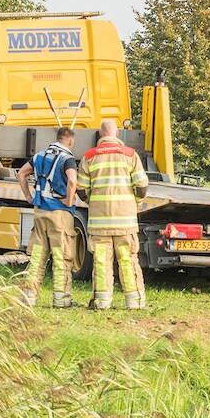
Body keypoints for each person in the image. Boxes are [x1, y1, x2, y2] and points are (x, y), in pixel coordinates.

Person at [76, 119, 148, 310]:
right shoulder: (130, 155)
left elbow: (81, 190)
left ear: (100, 134)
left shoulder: (89, 157)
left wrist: (94, 202)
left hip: (100, 223)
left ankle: (102, 302)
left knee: (101, 262)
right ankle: (135, 302)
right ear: (116, 134)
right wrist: (136, 204)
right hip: (125, 221)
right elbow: (141, 186)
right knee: (127, 259)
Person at [17, 126, 79, 308]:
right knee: (61, 257)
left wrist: (29, 196)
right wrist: (68, 201)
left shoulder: (39, 156)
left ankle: (29, 297)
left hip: (40, 212)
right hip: (59, 215)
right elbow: (73, 181)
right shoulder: (67, 159)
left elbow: (21, 173)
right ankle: (61, 300)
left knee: (37, 257)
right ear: (70, 141)